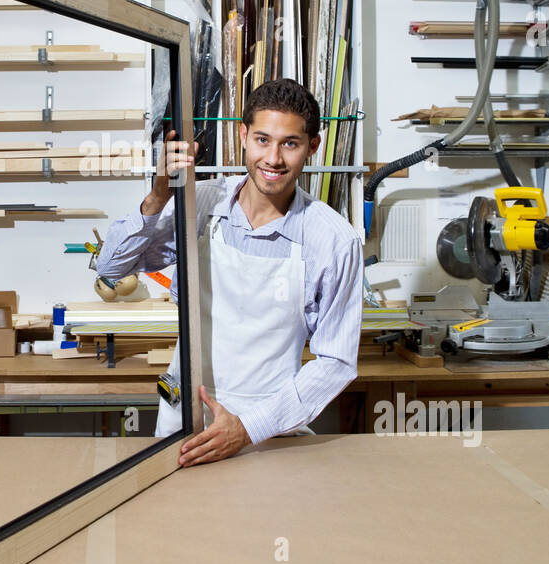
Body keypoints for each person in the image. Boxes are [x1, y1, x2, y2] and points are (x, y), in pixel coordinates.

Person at [94, 78, 363, 466]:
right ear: (242, 135)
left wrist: (249, 427)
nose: (273, 158)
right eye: (262, 139)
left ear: (313, 147)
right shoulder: (202, 204)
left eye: (290, 143)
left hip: (268, 431)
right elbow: (110, 268)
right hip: (183, 417)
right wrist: (157, 196)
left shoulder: (334, 241)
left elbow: (336, 362)